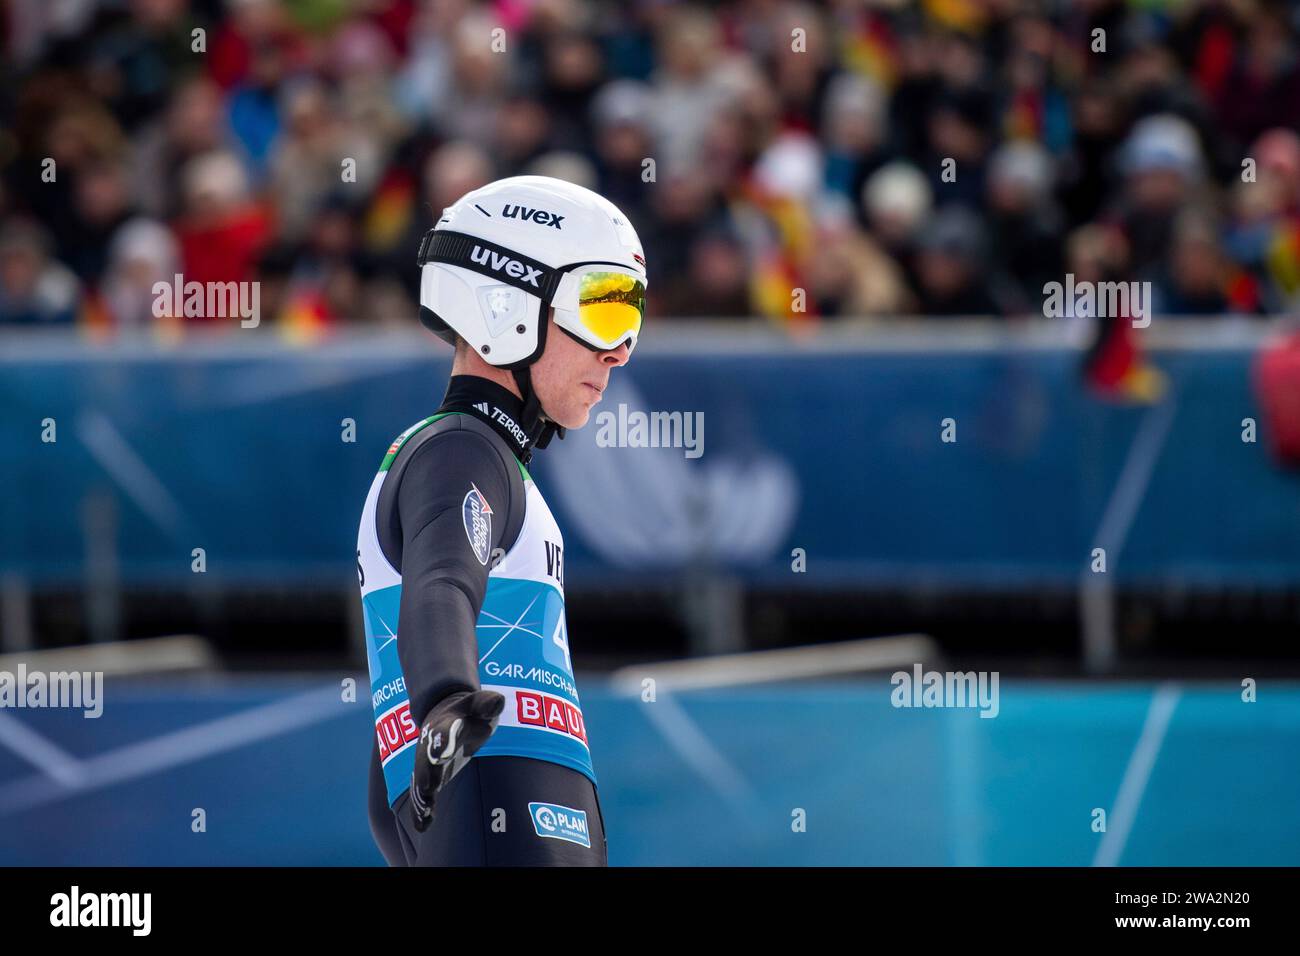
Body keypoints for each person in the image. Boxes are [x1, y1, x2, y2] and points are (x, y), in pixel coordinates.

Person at [356, 175, 648, 865]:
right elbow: (443, 586)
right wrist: (446, 701)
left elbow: (388, 749)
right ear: (506, 302)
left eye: (633, 317)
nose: (620, 350)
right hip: (509, 810)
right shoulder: (461, 451)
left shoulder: (477, 459)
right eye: (603, 309)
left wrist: (415, 768)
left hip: (511, 809)